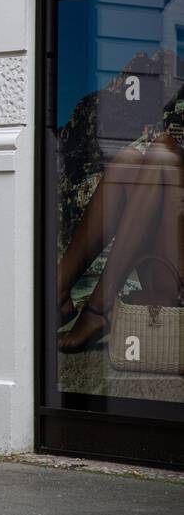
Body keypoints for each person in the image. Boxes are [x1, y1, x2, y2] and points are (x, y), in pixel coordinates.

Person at [57, 125, 184, 352]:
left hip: (176, 282)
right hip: (166, 265)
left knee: (164, 150)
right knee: (127, 161)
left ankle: (98, 308)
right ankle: (59, 290)